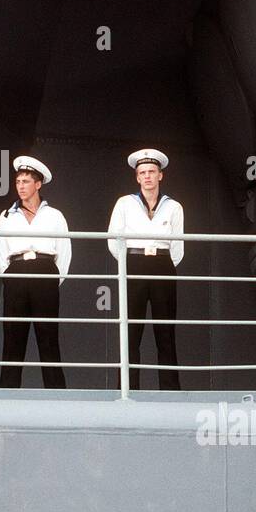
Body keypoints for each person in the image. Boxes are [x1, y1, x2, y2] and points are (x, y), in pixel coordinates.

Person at [107, 148, 184, 390]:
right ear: (137, 177)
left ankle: (170, 390)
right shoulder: (124, 204)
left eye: (152, 171)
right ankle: (128, 389)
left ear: (160, 175)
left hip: (162, 265)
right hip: (135, 264)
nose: (148, 176)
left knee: (165, 332)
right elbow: (113, 239)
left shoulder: (174, 207)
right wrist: (127, 265)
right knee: (131, 332)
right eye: (143, 172)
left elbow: (178, 246)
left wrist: (165, 264)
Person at [0, 155, 71, 389]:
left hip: (45, 272)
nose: (21, 186)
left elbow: (64, 252)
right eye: (18, 182)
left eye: (26, 181)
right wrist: (9, 277)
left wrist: (52, 279)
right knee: (12, 336)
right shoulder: (7, 216)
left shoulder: (54, 215)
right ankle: (6, 391)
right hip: (16, 272)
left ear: (38, 184)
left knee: (48, 335)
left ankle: (56, 392)